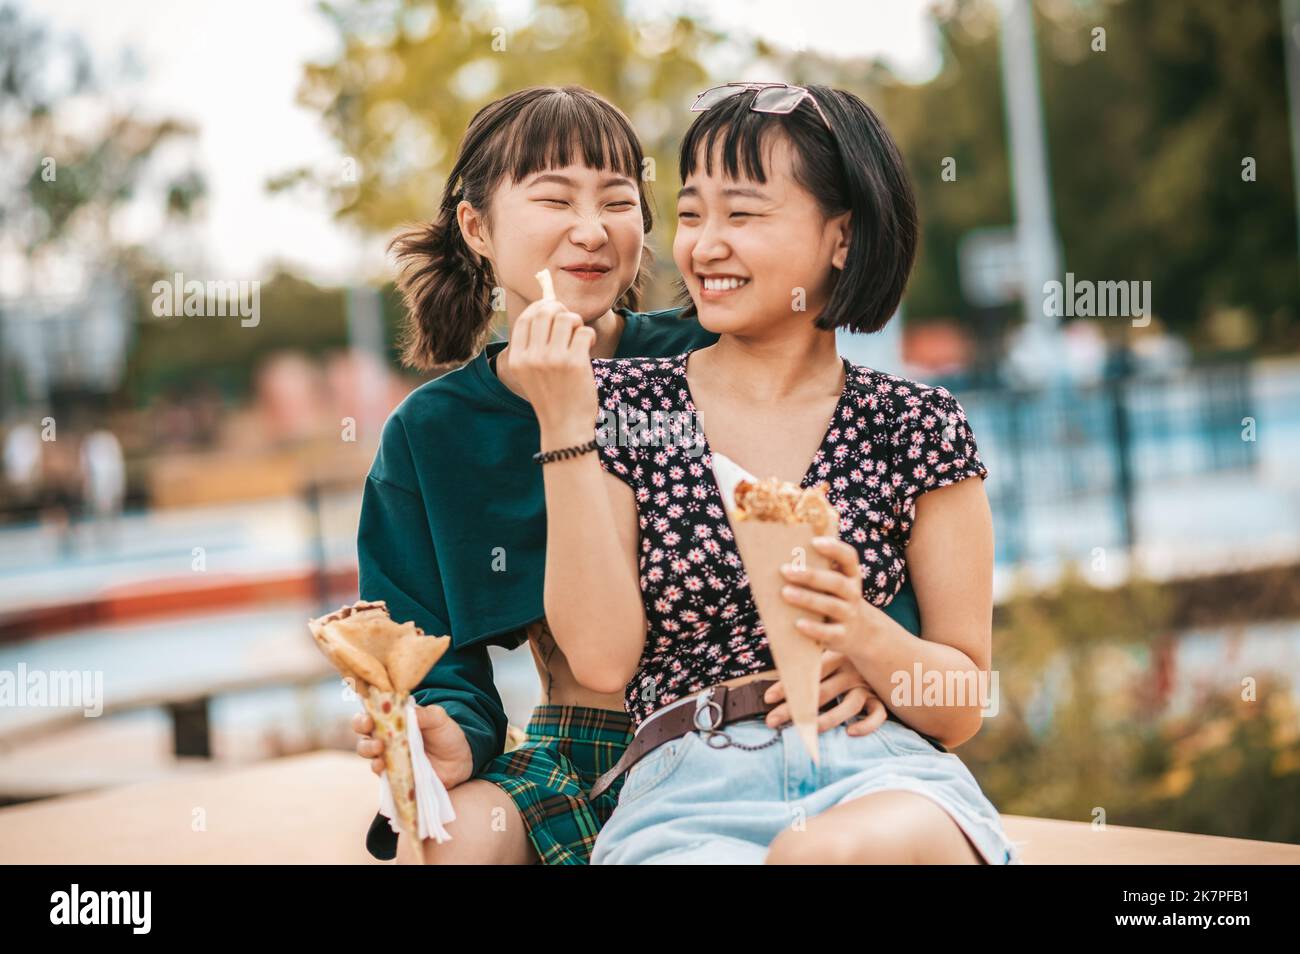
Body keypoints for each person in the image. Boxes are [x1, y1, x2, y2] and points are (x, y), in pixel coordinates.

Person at [350, 85, 926, 864]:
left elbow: (851, 490)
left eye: (619, 201)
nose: (591, 231)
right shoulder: (431, 434)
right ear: (477, 227)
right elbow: (425, 651)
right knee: (458, 842)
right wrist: (449, 731)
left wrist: (874, 658)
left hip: (751, 728)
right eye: (556, 199)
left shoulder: (709, 356)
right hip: (574, 744)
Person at [512, 83, 1022, 864]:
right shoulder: (623, 404)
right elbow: (604, 658)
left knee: (823, 855)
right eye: (691, 215)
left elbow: (960, 705)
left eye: (742, 214)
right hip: (683, 794)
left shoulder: (916, 423)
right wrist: (562, 422)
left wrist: (864, 634)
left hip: (876, 776)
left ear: (842, 237)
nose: (706, 245)